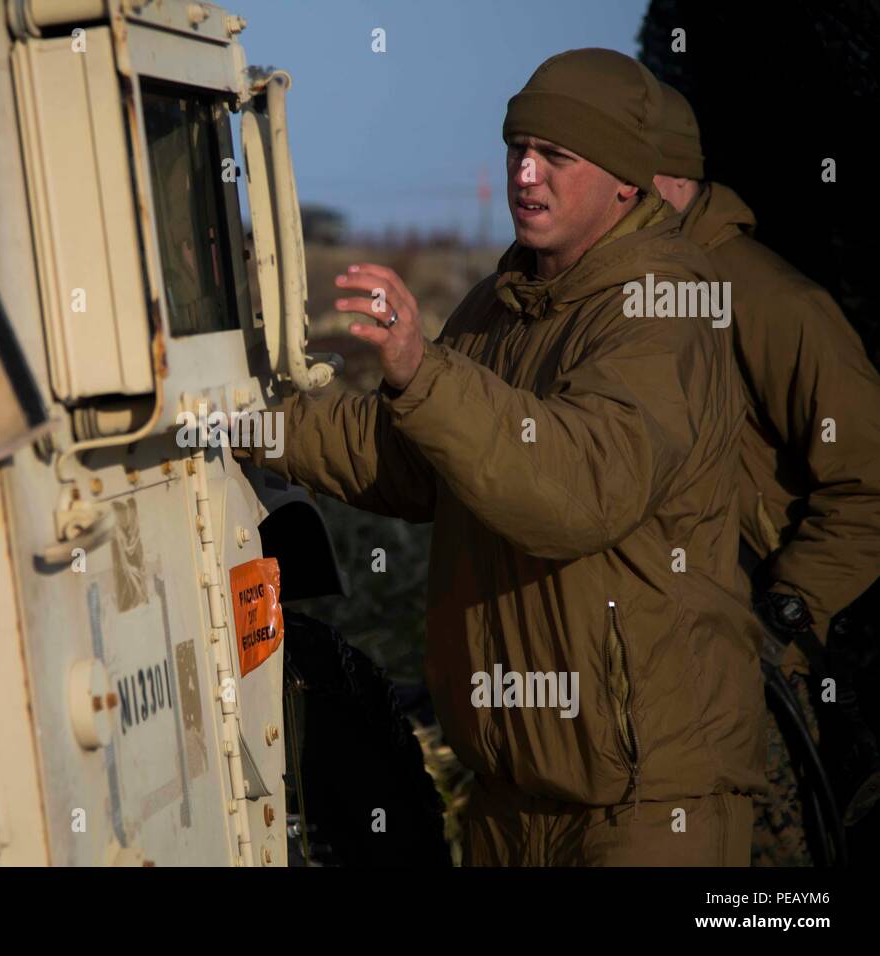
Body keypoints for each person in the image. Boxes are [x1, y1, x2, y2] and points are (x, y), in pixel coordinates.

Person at [240, 48, 765, 865]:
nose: (526, 174)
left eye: (556, 156)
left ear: (626, 181)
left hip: (641, 807)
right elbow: (413, 460)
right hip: (508, 800)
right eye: (517, 149)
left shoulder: (666, 305)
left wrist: (424, 370)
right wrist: (246, 418)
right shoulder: (498, 303)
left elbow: (577, 490)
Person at [652, 82, 880, 864]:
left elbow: (870, 483)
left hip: (758, 686)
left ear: (664, 177)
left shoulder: (770, 300)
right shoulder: (612, 296)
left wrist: (784, 611)